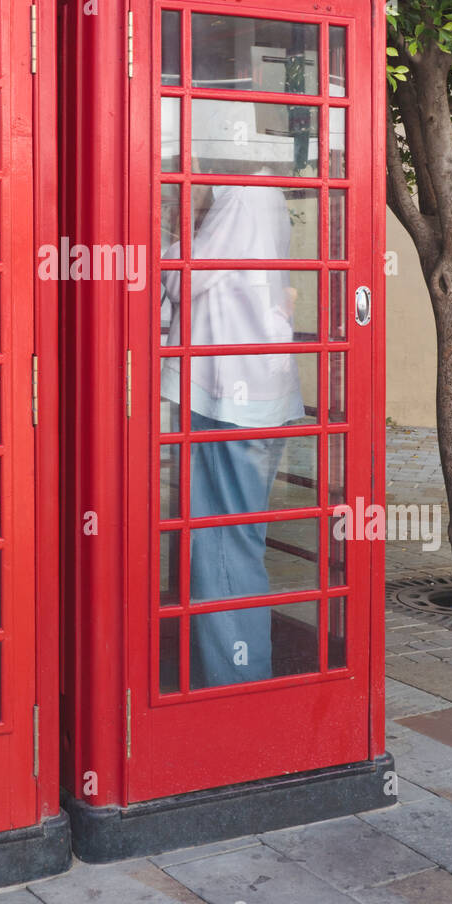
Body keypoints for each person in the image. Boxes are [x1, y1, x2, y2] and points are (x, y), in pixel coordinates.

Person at [160, 172, 304, 688]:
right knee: (231, 540)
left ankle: (237, 689)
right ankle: (229, 678)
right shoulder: (254, 194)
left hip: (231, 396)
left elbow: (185, 277)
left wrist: (161, 233)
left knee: (222, 546)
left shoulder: (242, 193)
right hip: (245, 391)